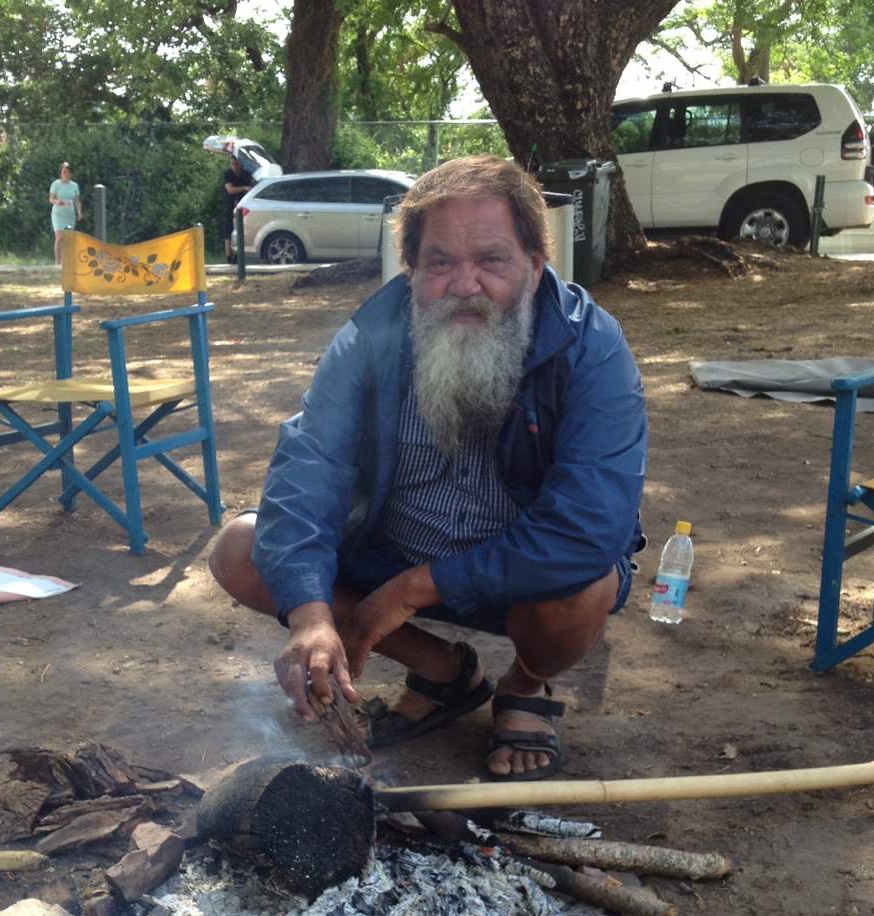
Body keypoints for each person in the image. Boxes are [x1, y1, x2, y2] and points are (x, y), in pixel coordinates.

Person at [208, 154, 648, 780]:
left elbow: (587, 529)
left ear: (534, 262)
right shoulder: (371, 336)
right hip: (390, 553)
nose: (464, 285)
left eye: (491, 260)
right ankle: (445, 673)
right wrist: (308, 614)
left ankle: (526, 684)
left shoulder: (590, 346)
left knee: (584, 584)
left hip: (520, 579)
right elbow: (309, 468)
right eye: (440, 263)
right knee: (242, 548)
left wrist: (414, 589)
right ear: (412, 270)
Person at [221, 154, 256, 260]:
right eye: (232, 164)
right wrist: (244, 188)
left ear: (241, 165)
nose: (234, 167)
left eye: (236, 164)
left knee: (242, 228)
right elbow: (230, 190)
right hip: (230, 204)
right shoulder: (228, 174)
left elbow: (251, 188)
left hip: (243, 205)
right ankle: (228, 255)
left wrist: (246, 189)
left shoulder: (246, 174)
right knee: (229, 229)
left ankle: (239, 254)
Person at [48, 162, 82, 264]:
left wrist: (79, 212)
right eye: (64, 172)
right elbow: (51, 199)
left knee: (67, 239)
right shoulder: (56, 184)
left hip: (69, 215)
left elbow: (77, 200)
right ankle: (57, 262)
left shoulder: (74, 185)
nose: (66, 174)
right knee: (59, 237)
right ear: (61, 173)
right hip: (58, 214)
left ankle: (65, 262)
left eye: (68, 172)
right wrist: (58, 201)